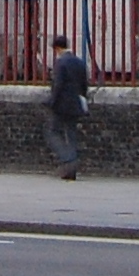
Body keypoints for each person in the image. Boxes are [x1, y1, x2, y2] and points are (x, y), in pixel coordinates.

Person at [44, 34, 92, 180]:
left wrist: (52, 102)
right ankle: (71, 170)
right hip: (76, 103)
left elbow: (58, 85)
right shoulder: (79, 62)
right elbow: (84, 85)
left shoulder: (60, 63)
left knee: (52, 132)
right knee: (71, 134)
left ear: (57, 48)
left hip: (62, 104)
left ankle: (69, 159)